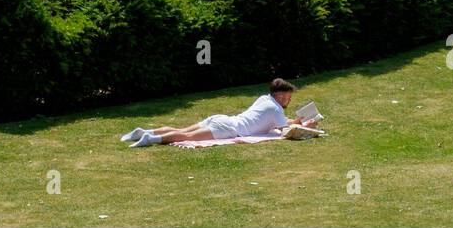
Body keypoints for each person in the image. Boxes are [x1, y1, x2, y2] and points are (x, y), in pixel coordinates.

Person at [122, 78, 312, 147]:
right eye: (287, 96)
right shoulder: (275, 108)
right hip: (229, 128)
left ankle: (145, 131)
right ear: (279, 95)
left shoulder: (265, 99)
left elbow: (280, 122)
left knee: (182, 129)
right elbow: (286, 131)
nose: (289, 100)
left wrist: (296, 121)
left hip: (222, 119)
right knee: (187, 136)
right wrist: (305, 126)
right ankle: (150, 139)